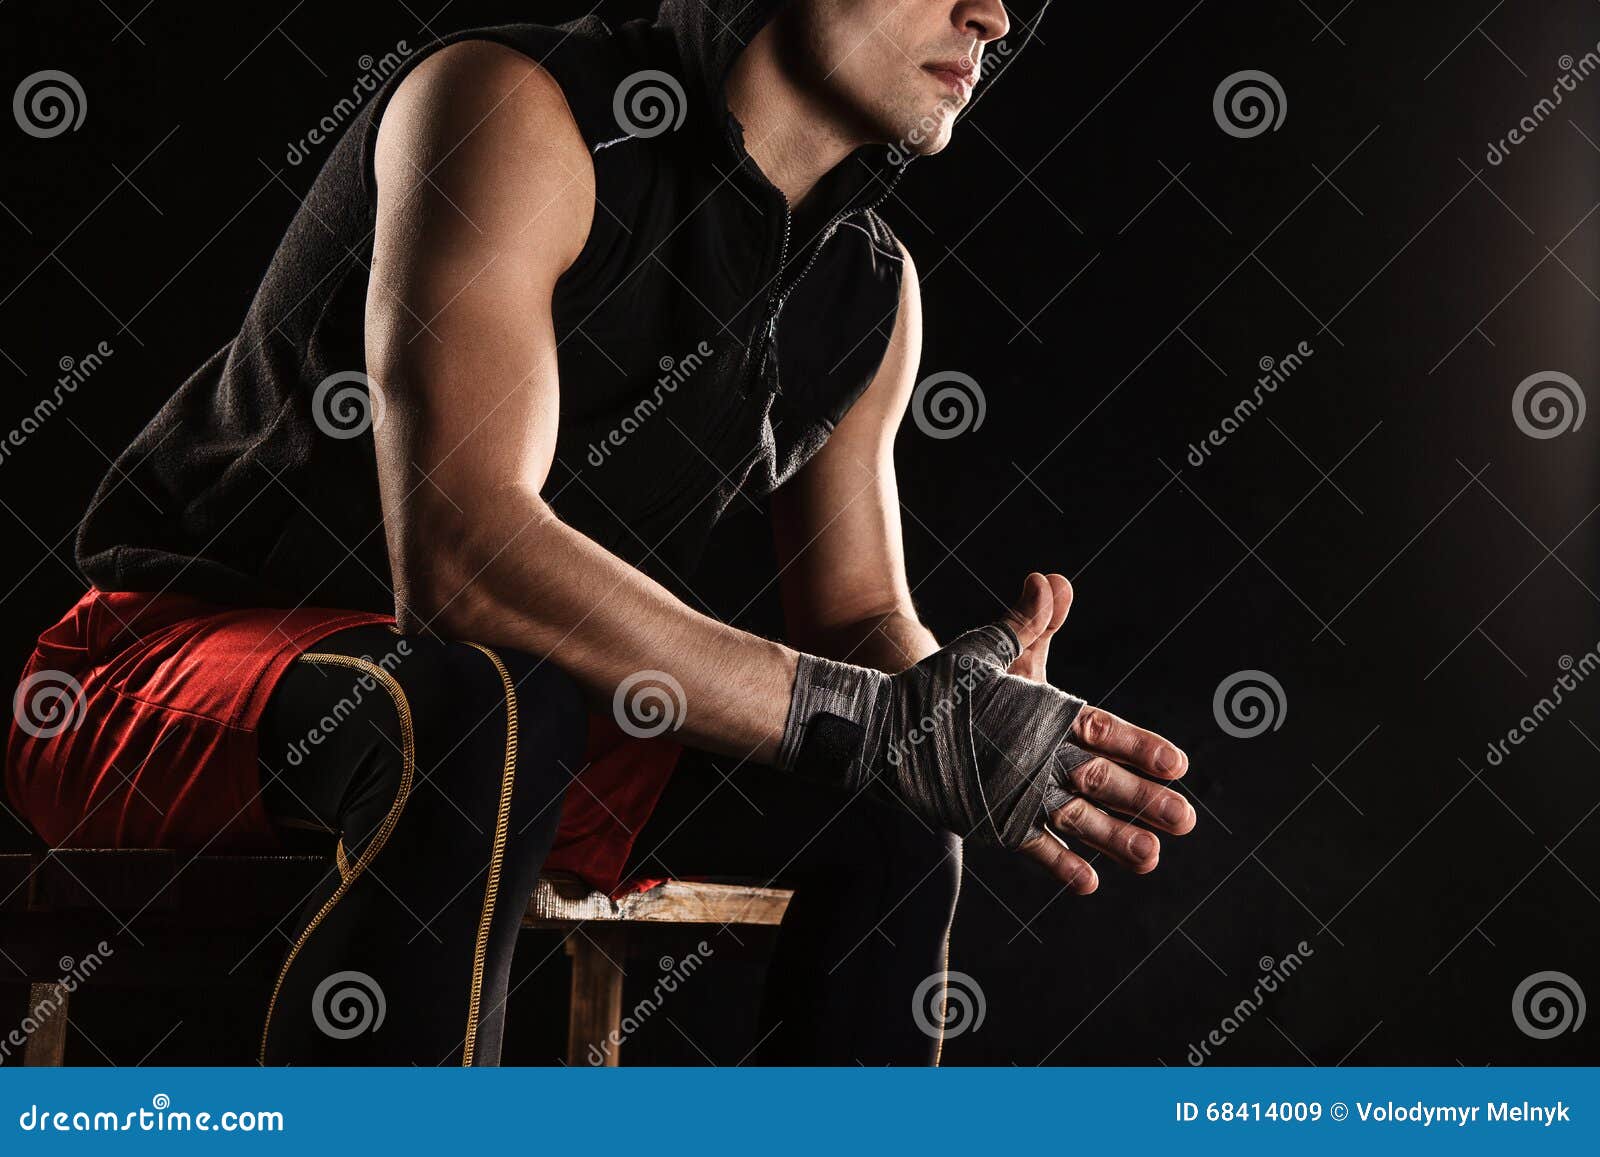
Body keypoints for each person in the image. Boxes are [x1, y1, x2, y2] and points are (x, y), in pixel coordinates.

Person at [6, 0, 1195, 1066]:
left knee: (886, 808)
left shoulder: (867, 288)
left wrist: (954, 713)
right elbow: (464, 563)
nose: (991, 16)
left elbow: (856, 622)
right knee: (482, 696)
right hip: (154, 672)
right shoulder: (510, 105)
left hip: (518, 725)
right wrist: (864, 716)